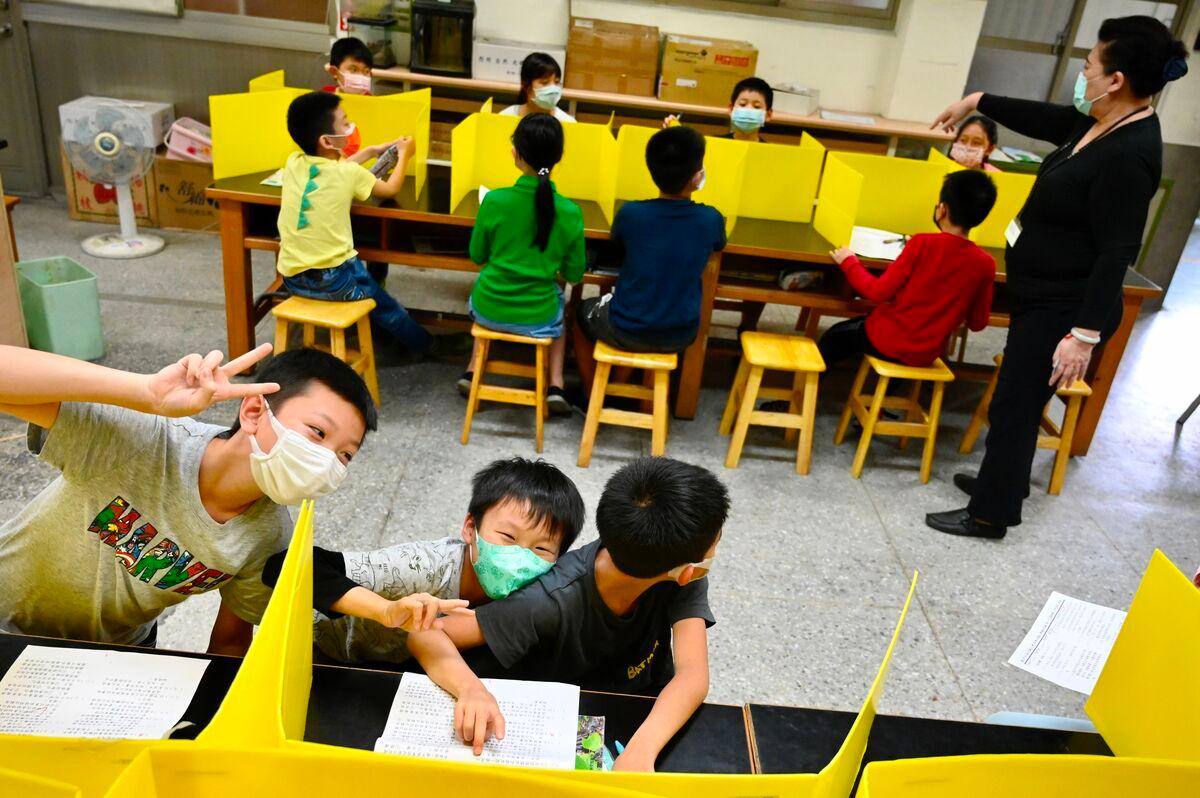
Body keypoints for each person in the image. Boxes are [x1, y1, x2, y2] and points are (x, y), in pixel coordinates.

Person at [927, 15, 1188, 540]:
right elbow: (1045, 118)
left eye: (1089, 64)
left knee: (1015, 403)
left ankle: (989, 513)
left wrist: (1084, 335)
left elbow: (1118, 251)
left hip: (1065, 308)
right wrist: (978, 99)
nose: (1083, 71)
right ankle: (1003, 484)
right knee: (1019, 398)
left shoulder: (1129, 153)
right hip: (1043, 292)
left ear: (1116, 79)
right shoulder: (1100, 120)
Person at [0, 344, 376, 653]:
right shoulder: (144, 440)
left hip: (119, 652)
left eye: (345, 454)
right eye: (317, 432)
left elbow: (231, 638)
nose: (327, 459)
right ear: (254, 410)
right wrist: (144, 393)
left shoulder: (269, 537)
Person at [407, 457, 728, 772]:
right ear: (687, 571)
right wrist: (470, 689)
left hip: (646, 718)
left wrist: (641, 750)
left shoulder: (664, 562)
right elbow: (427, 631)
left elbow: (692, 675)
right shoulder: (549, 599)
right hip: (566, 725)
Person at [262, 457, 584, 665]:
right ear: (470, 528)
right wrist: (385, 610)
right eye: (508, 538)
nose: (519, 557)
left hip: (410, 670)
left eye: (541, 549)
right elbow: (287, 566)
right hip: (333, 659)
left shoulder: (543, 589)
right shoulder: (422, 566)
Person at [277, 91, 434, 356]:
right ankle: (426, 345)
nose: (350, 128)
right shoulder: (348, 173)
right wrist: (405, 155)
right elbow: (390, 189)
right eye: (345, 123)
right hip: (335, 279)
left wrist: (372, 152)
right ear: (327, 140)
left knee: (370, 283)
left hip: (292, 277)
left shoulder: (294, 163)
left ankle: (375, 317)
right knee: (387, 308)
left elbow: (338, 168)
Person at [573, 125, 726, 389]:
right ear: (696, 177)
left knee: (577, 313)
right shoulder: (710, 219)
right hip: (681, 333)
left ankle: (591, 393)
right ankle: (620, 385)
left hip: (625, 327)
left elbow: (617, 241)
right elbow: (718, 244)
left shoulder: (631, 214)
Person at [458, 113, 585, 414]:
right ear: (559, 157)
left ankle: (473, 370)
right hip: (538, 315)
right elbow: (575, 273)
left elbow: (477, 256)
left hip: (489, 308)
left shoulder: (495, 201)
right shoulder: (570, 211)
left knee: (485, 292)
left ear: (515, 153)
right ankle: (556, 384)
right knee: (560, 308)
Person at [819, 170, 998, 368]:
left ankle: (804, 395)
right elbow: (978, 323)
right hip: (926, 354)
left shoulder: (922, 243)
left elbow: (877, 292)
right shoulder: (986, 263)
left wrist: (849, 262)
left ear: (942, 210)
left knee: (833, 337)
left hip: (888, 341)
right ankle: (891, 394)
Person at [499, 52, 576, 123]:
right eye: (545, 82)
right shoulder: (505, 118)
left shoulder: (567, 122)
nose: (553, 89)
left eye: (556, 82)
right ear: (526, 85)